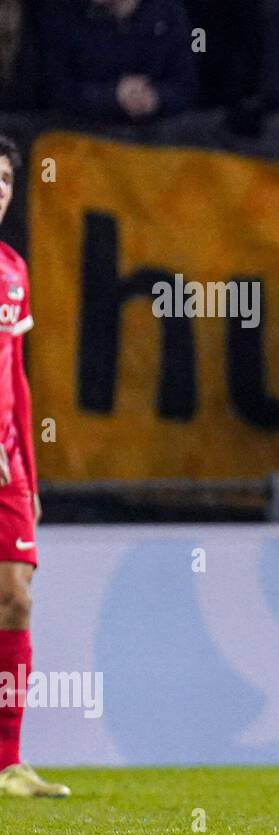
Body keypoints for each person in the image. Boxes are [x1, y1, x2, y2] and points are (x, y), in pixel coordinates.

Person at [0, 137, 68, 798]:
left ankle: (9, 763)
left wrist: (31, 477)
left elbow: (16, 382)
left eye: (3, 179)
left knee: (17, 600)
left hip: (6, 471)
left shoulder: (13, 269)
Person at [39, 0, 197, 121]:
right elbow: (56, 91)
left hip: (159, 138)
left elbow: (187, 84)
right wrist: (112, 95)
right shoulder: (64, 14)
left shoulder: (168, 11)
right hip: (86, 136)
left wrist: (156, 98)